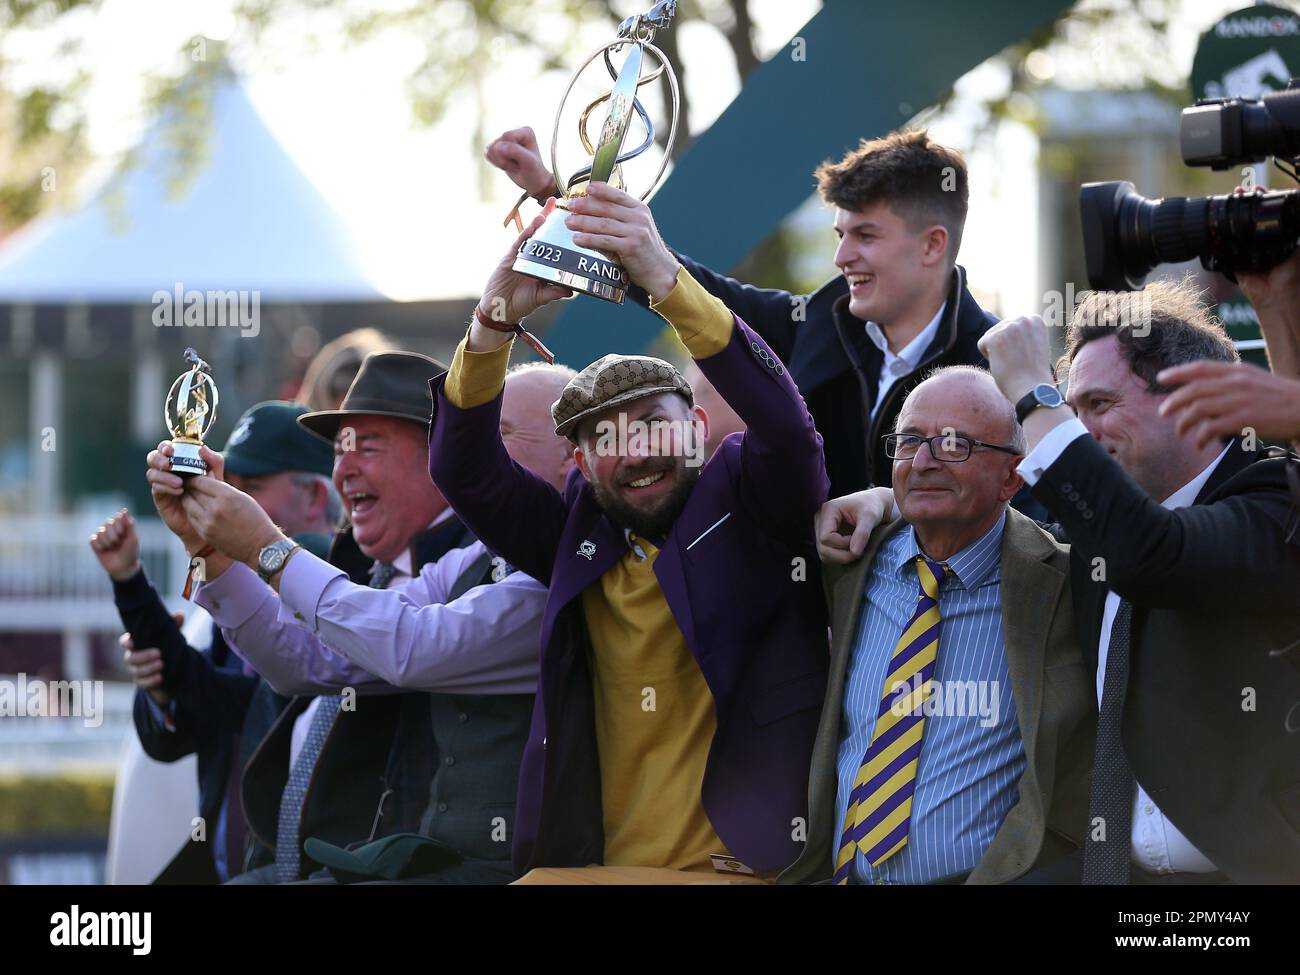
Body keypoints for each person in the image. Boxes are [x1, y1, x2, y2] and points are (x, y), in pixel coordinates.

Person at [429, 188, 831, 883]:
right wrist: (492, 322)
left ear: (699, 430)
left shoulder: (753, 501)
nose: (637, 448)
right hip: (596, 868)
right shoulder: (573, 532)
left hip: (745, 870)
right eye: (606, 436)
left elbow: (788, 427)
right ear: (578, 463)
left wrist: (667, 281)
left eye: (655, 422)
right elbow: (462, 470)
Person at [487, 125, 1012, 503]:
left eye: (865, 236)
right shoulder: (814, 322)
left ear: (932, 246)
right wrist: (558, 195)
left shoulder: (1000, 368)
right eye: (840, 235)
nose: (842, 256)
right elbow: (687, 291)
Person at [972, 282, 1300, 883]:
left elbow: (1155, 555)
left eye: (1100, 403)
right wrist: (889, 502)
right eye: (1071, 412)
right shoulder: (1104, 512)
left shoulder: (1279, 499)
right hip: (1112, 870)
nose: (1081, 431)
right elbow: (999, 525)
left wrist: (1034, 394)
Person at [780, 367, 1093, 885]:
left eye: (954, 445)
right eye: (909, 441)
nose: (922, 462)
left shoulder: (1065, 585)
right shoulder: (848, 561)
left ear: (1012, 477)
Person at [91, 400, 336, 883]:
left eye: (252, 489)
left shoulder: (345, 599)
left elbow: (235, 704)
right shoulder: (227, 583)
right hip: (221, 866)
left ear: (314, 497)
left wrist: (133, 588)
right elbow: (175, 729)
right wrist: (156, 680)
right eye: (230, 485)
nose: (229, 501)